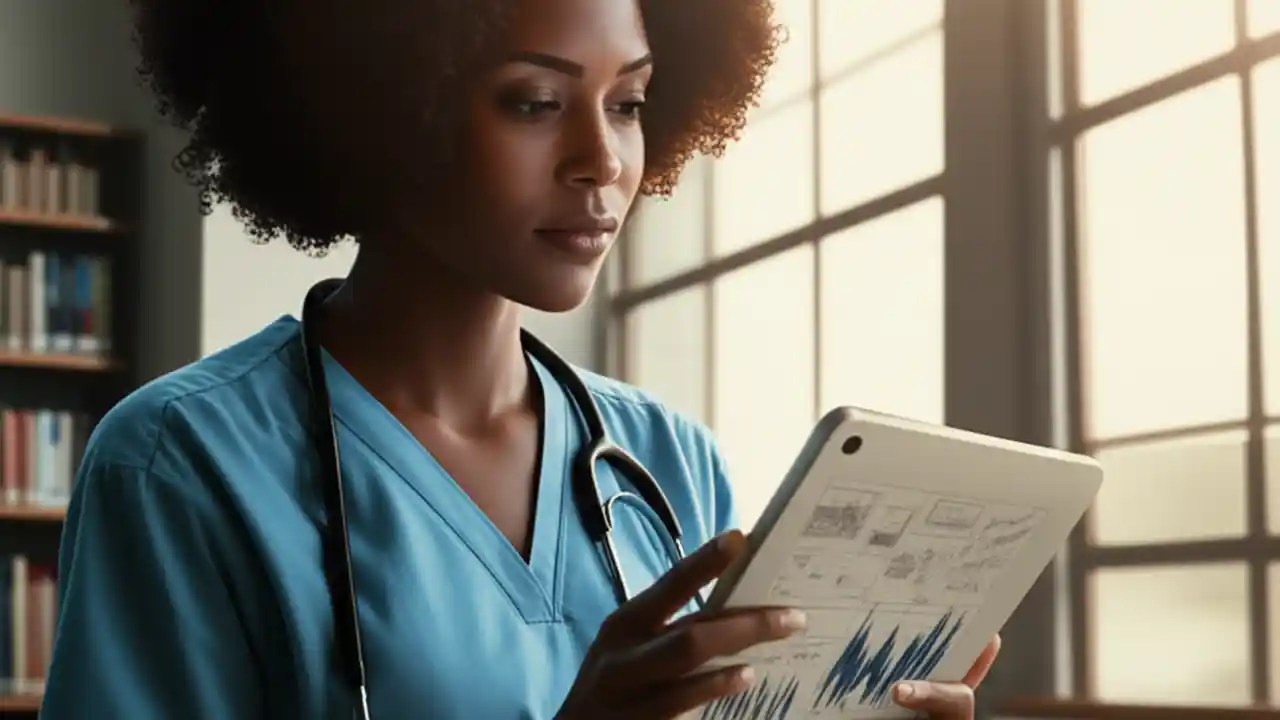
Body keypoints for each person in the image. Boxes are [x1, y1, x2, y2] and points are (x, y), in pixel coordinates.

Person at [42, 0, 1001, 718]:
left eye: (628, 102)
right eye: (536, 101)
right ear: (378, 110)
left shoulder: (669, 462)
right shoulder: (182, 462)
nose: (603, 159)